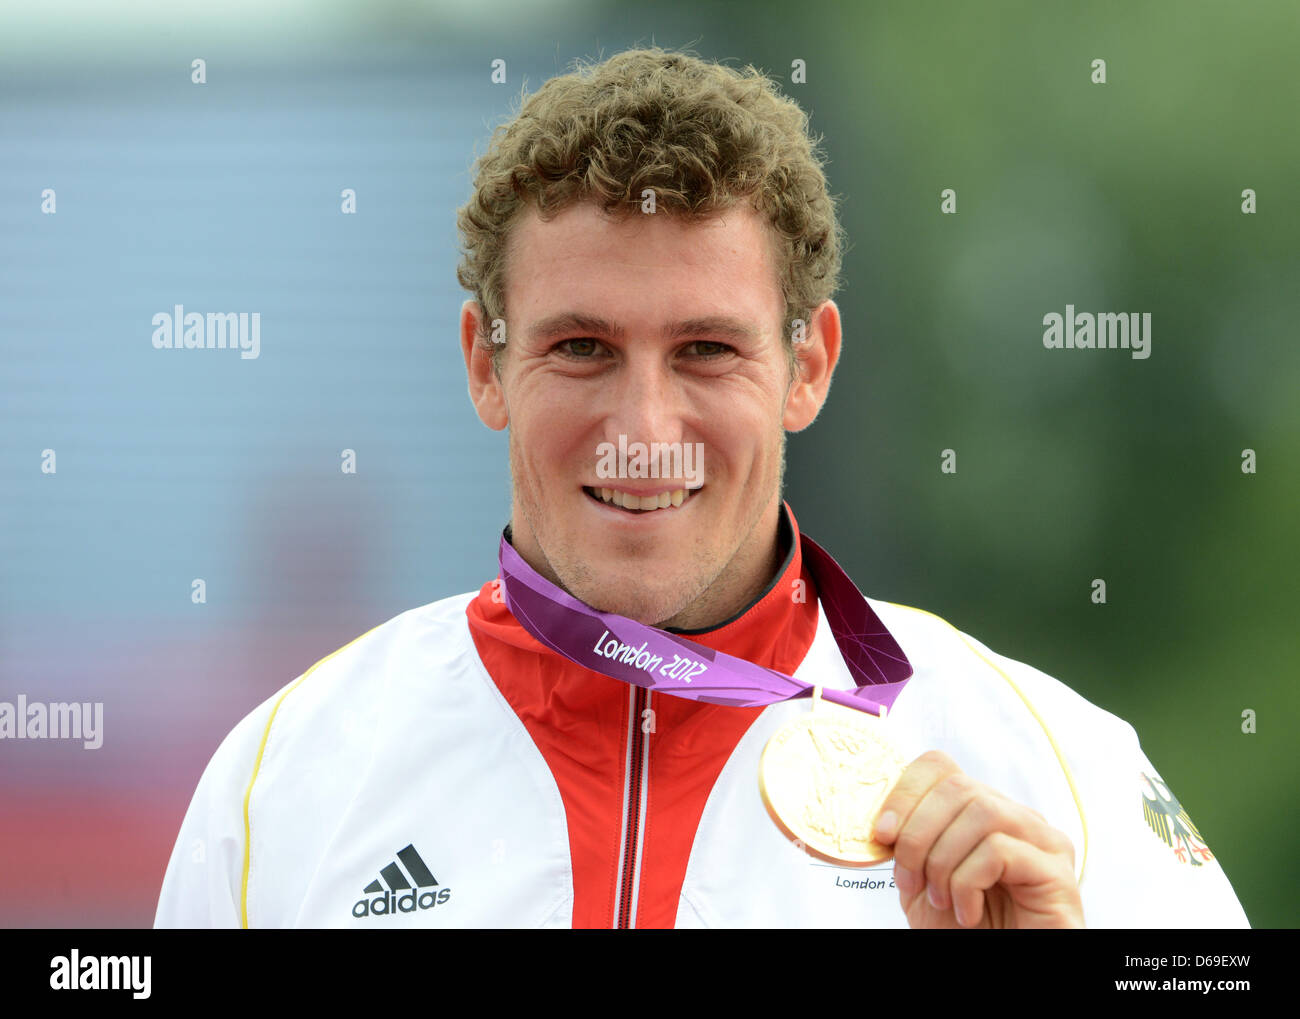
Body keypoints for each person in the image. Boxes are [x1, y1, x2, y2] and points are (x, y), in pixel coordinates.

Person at [155, 46, 1249, 929]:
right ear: (485, 364)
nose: (642, 430)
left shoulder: (1045, 771)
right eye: (580, 347)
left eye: (706, 351)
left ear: (807, 366)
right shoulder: (282, 783)